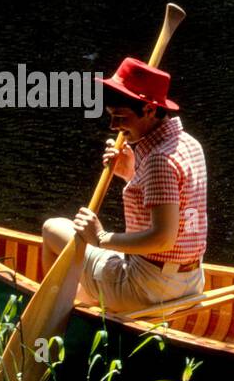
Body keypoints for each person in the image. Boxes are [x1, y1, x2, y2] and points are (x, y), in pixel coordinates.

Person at [41, 57, 208, 313]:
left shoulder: (158, 160)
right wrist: (131, 172)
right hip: (190, 282)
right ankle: (81, 312)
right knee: (89, 284)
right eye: (111, 116)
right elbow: (176, 205)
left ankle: (50, 312)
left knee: (52, 229)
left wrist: (101, 237)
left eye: (120, 116)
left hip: (147, 289)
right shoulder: (189, 144)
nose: (113, 126)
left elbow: (163, 239)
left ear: (151, 110)